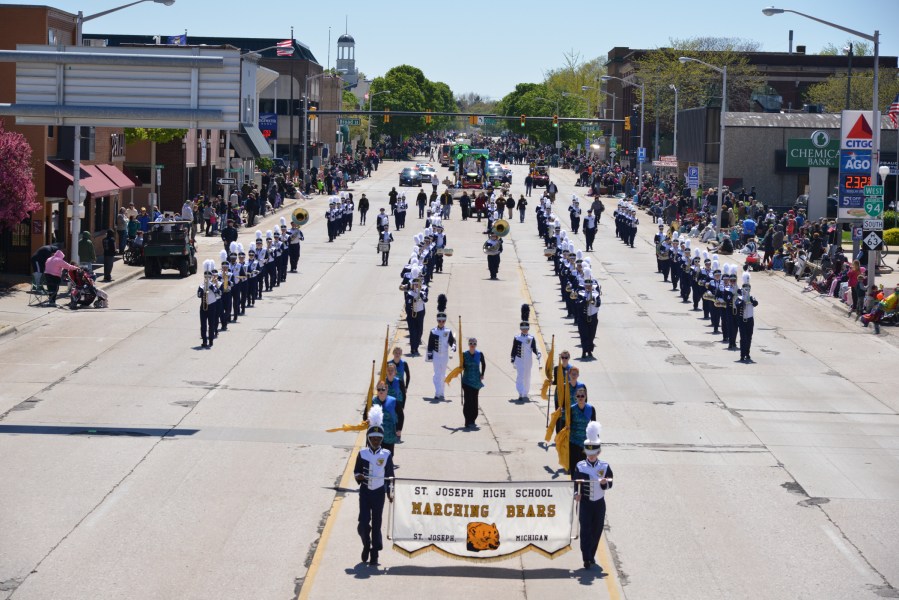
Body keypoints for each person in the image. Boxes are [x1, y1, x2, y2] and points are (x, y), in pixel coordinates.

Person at [354, 404, 394, 567]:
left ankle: (375, 552)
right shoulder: (362, 453)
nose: (376, 441)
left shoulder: (386, 455)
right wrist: (360, 476)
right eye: (373, 439)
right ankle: (366, 543)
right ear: (369, 439)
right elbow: (356, 472)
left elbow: (391, 476)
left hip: (378, 492)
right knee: (364, 522)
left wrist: (390, 492)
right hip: (365, 492)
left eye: (378, 439)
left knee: (377, 523)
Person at [573, 422, 613, 570]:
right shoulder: (580, 466)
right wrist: (577, 494)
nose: (591, 456)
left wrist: (604, 483)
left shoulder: (604, 466)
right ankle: (586, 558)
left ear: (598, 452)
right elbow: (575, 484)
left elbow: (610, 483)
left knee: (597, 529)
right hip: (585, 503)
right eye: (588, 454)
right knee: (585, 530)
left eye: (593, 453)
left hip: (599, 503)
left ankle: (591, 554)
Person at [559, 386, 596, 477]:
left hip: (585, 441)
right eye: (578, 396)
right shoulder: (571, 409)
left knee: (584, 465)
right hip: (573, 440)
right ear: (575, 397)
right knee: (574, 464)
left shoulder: (591, 408)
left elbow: (594, 426)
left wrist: (595, 441)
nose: (580, 398)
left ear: (585, 396)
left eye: (582, 396)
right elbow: (564, 422)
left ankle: (582, 486)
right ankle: (574, 484)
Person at [426, 294, 456, 401]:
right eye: (439, 321)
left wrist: (453, 347)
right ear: (437, 321)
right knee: (436, 375)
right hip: (436, 355)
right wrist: (429, 355)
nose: (441, 323)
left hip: (445, 356)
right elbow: (429, 344)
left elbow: (453, 342)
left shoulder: (448, 331)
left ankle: (441, 393)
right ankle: (437, 392)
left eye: (443, 321)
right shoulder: (433, 331)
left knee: (442, 374)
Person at [511, 305, 541, 401]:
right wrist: (512, 358)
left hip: (528, 360)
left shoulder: (531, 338)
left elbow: (534, 348)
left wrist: (538, 353)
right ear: (520, 328)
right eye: (523, 328)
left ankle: (525, 392)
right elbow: (514, 348)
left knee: (527, 376)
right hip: (519, 359)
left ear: (528, 328)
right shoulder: (517, 338)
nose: (524, 329)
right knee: (520, 375)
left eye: (526, 328)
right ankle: (520, 392)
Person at [461, 337, 486, 428]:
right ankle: (467, 420)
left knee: (474, 400)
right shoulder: (464, 354)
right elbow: (462, 366)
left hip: (476, 381)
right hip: (466, 381)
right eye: (471, 343)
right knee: (468, 401)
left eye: (474, 343)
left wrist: (482, 374)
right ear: (468, 344)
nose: (472, 345)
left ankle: (473, 419)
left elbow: (483, 364)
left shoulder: (479, 354)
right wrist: (461, 367)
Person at [735, 272, 759, 362]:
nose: (747, 290)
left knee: (749, 337)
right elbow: (737, 305)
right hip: (742, 320)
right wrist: (744, 300)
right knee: (743, 338)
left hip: (750, 320)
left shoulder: (752, 297)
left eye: (748, 288)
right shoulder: (739, 298)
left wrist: (750, 299)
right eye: (745, 288)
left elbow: (756, 303)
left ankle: (747, 353)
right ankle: (742, 354)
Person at [197, 259, 220, 347]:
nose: (206, 279)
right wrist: (202, 291)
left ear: (210, 278)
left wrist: (210, 287)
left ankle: (210, 340)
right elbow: (198, 295)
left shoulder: (213, 285)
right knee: (203, 325)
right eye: (205, 277)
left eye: (208, 277)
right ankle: (204, 340)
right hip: (203, 306)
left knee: (211, 324)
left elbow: (218, 294)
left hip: (212, 306)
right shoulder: (201, 285)